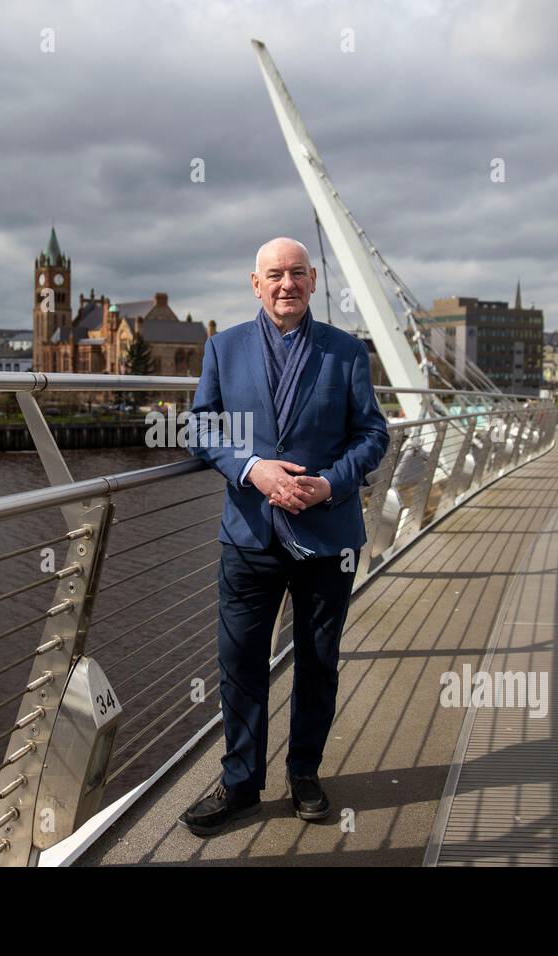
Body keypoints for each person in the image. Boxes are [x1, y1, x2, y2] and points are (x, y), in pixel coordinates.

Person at [181, 237, 390, 836]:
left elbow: (372, 435)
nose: (286, 284)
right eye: (274, 275)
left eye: (297, 273)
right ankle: (242, 783)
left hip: (328, 535)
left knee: (318, 663)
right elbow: (199, 425)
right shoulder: (224, 349)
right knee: (240, 662)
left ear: (314, 280)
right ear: (255, 283)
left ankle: (304, 775)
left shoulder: (346, 352)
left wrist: (328, 484)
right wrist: (252, 468)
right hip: (249, 534)